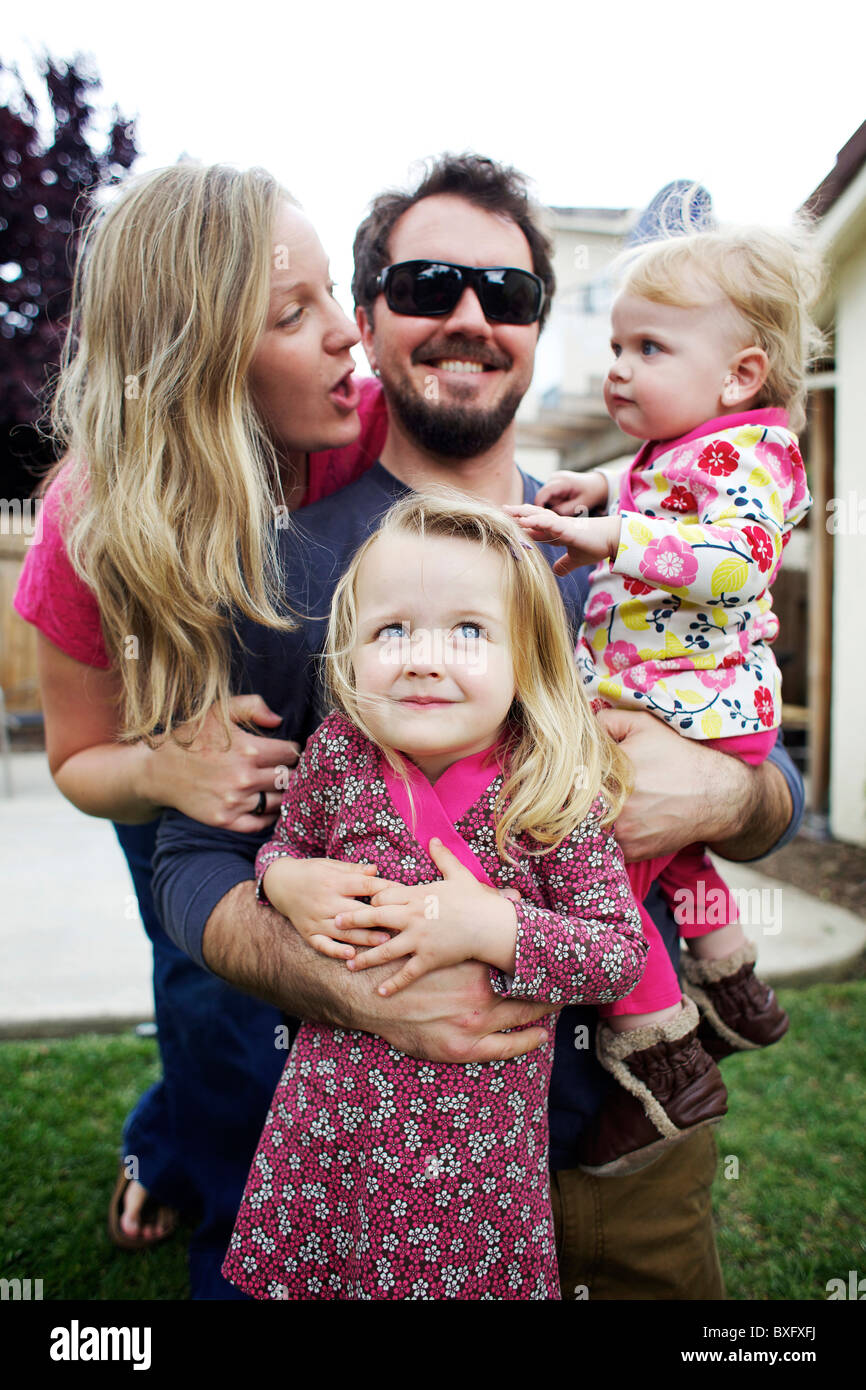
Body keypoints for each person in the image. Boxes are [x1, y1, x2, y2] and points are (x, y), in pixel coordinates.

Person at [152, 154, 806, 1299]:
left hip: (624, 1138)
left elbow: (767, 777)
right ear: (368, 316)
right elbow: (187, 852)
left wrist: (721, 796)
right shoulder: (281, 569)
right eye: (426, 285)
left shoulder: (622, 538)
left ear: (540, 325)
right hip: (384, 1148)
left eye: (503, 295)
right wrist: (331, 975)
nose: (468, 318)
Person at [12, 161, 386, 1295]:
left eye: (335, 293)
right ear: (199, 359)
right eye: (295, 312)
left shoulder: (356, 429)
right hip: (162, 786)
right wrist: (169, 767)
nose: (348, 334)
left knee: (322, 984)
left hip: (322, 773)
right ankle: (230, 1226)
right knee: (212, 990)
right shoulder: (90, 522)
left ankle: (164, 1132)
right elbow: (76, 760)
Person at [221, 491, 647, 1300]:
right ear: (349, 654)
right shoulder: (340, 755)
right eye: (391, 630)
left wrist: (497, 925)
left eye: (468, 632)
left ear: (527, 657)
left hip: (473, 1164)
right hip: (332, 1136)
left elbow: (618, 957)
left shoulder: (549, 790)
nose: (422, 657)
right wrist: (283, 877)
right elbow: (284, 843)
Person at [507, 225, 823, 1175]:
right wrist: (601, 483)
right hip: (677, 704)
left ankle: (666, 1062)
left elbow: (735, 558)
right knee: (671, 848)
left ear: (738, 376)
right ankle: (734, 986)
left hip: (700, 712)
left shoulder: (756, 460)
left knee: (598, 874)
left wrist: (613, 537)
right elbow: (673, 490)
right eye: (615, 347)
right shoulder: (697, 451)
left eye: (649, 349)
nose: (617, 369)